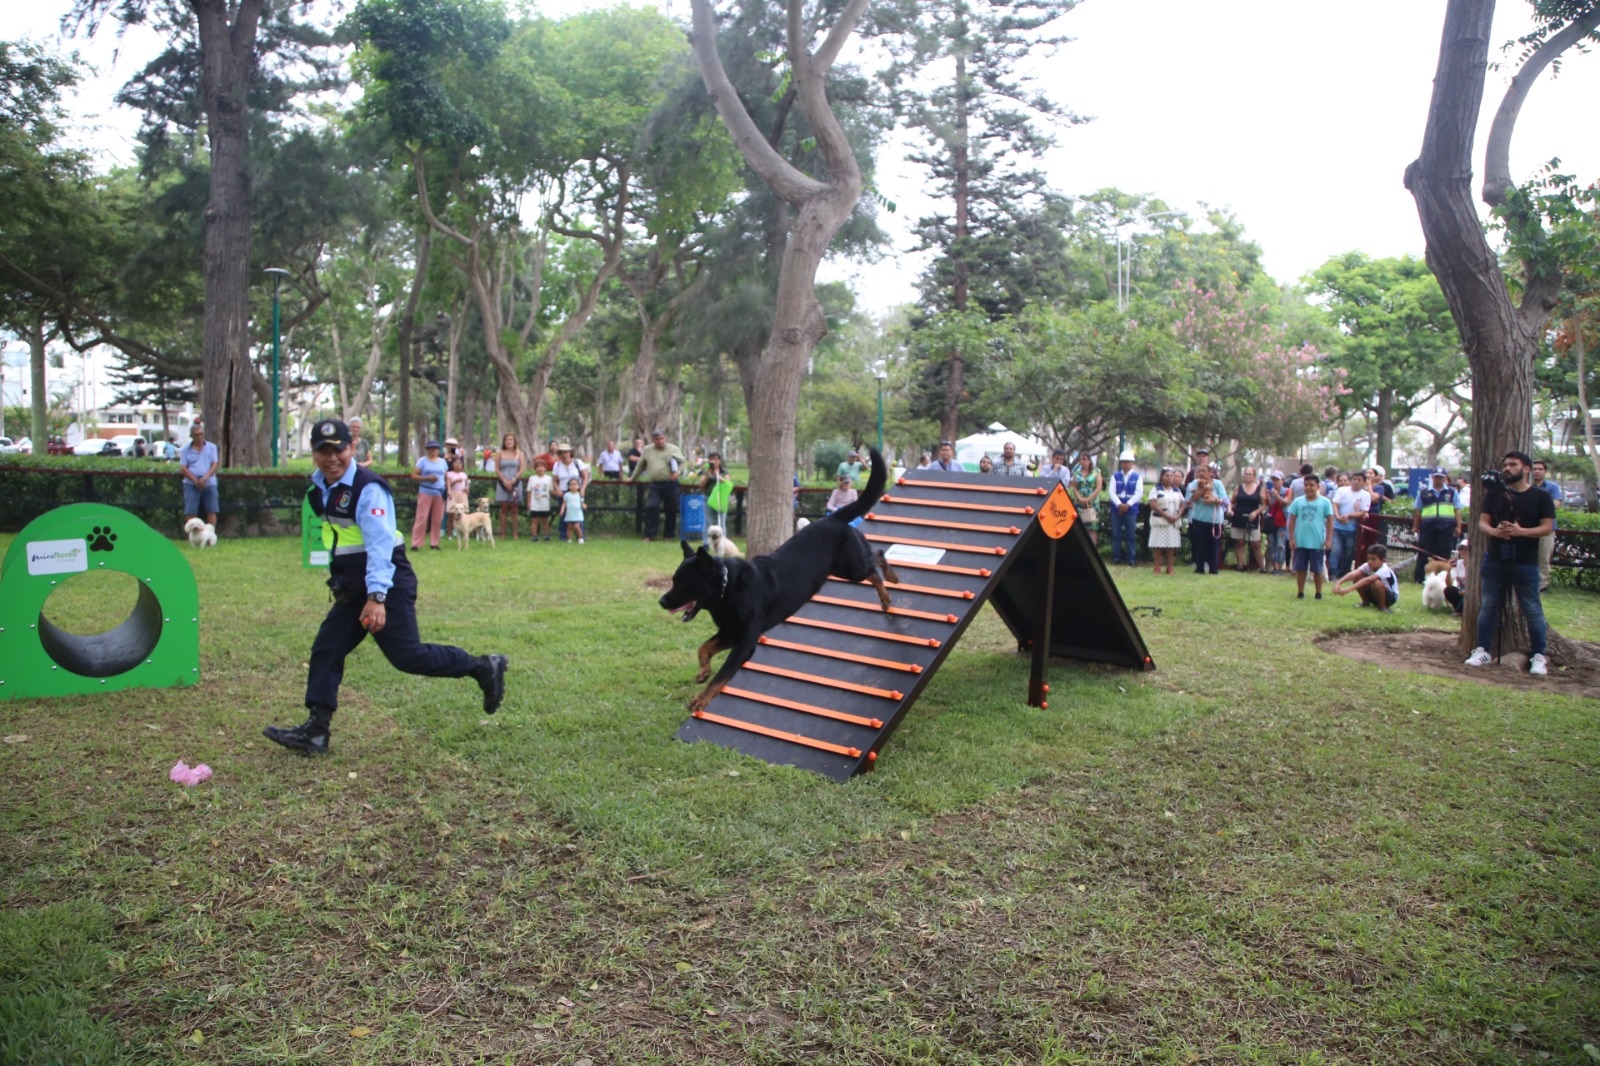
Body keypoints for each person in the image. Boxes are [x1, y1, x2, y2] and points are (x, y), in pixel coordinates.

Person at [262, 419, 507, 755]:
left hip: (386, 583)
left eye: (338, 450)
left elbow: (380, 546)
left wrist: (377, 597)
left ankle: (483, 666)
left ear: (352, 448)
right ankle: (316, 732)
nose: (331, 457)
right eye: (323, 451)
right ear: (314, 453)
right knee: (327, 648)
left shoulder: (368, 488)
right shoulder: (320, 487)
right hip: (353, 586)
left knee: (407, 656)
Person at [1465, 451, 1555, 675]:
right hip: (1496, 559)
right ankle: (1483, 649)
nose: (1507, 468)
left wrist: (1521, 531)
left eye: (1513, 464)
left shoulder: (1541, 496)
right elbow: (1482, 523)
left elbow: (1547, 527)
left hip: (1526, 562)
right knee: (1488, 605)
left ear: (1526, 469)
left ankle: (1538, 655)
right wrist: (1495, 532)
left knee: (1532, 608)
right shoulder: (1494, 495)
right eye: (1505, 465)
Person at [628, 428, 685, 541]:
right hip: (655, 485)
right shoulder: (647, 450)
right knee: (652, 506)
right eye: (657, 439)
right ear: (653, 440)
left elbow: (683, 462)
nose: (660, 441)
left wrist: (677, 472)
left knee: (671, 509)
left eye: (662, 438)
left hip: (671, 483)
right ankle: (650, 534)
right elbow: (640, 465)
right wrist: (632, 478)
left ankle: (668, 535)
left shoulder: (673, 449)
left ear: (665, 438)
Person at [1286, 474, 1334, 600]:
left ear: (1318, 486)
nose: (1308, 488)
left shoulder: (1325, 502)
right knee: (1300, 568)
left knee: (1317, 569)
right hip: (1301, 541)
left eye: (1311, 485)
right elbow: (1292, 520)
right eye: (1306, 485)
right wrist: (1291, 538)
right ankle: (1300, 592)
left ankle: (1318, 593)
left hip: (1317, 541)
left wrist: (1329, 539)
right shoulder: (1298, 502)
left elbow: (1330, 521)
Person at [1411, 467, 1462, 584]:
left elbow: (1457, 510)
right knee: (1424, 553)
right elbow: (1418, 511)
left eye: (1441, 477)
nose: (1438, 479)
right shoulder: (1424, 492)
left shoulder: (1452, 492)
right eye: (1436, 477)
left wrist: (1458, 526)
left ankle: (1444, 578)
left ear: (1445, 478)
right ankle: (1420, 578)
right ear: (1432, 477)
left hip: (1446, 528)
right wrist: (1415, 526)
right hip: (1427, 527)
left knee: (1444, 554)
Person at [1182, 467, 1227, 574]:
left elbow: (1224, 499)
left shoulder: (1217, 484)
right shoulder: (1194, 483)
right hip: (1199, 517)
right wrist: (1202, 488)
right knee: (1199, 543)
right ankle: (1200, 567)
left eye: (1204, 471)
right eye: (1199, 471)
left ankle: (1213, 568)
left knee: (1214, 544)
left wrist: (1215, 500)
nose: (1201, 473)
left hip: (1215, 519)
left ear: (1210, 472)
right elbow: (1193, 498)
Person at [1333, 544, 1401, 611]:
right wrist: (1338, 583)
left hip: (1390, 598)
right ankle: (1365, 602)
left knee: (1375, 582)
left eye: (1373, 559)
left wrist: (1347, 590)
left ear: (1383, 560)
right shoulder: (1367, 565)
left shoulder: (1384, 569)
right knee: (1357, 577)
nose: (1370, 562)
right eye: (1368, 559)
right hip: (1375, 594)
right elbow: (1354, 573)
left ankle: (1383, 607)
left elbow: (1367, 580)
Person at [179, 422, 220, 530]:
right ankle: (192, 534)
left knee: (211, 510)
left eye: (201, 434)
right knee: (191, 511)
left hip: (209, 482)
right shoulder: (185, 450)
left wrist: (205, 478)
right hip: (191, 484)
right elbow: (183, 467)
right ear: (191, 436)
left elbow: (214, 464)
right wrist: (195, 480)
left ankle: (210, 534)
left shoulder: (212, 447)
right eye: (196, 435)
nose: (199, 437)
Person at [410, 441, 449, 550]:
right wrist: (427, 478)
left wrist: (448, 489)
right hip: (426, 491)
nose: (433, 450)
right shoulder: (422, 461)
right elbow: (414, 475)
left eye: (435, 448)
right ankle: (416, 543)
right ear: (427, 450)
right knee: (422, 517)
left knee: (437, 518)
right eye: (431, 448)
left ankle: (434, 542)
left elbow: (446, 477)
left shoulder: (442, 462)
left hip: (439, 492)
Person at [1531, 459, 1564, 590]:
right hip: (1528, 527)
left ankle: (1542, 584)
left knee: (1544, 557)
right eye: (1535, 469)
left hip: (1547, 528)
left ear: (1545, 471)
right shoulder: (1526, 486)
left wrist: (1536, 505)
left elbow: (1556, 504)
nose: (1537, 471)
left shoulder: (1552, 487)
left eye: (1540, 469)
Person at [1330, 470, 1370, 577]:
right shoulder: (1342, 490)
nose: (1356, 482)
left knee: (1348, 552)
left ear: (1364, 482)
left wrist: (1350, 516)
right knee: (1335, 550)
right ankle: (1332, 573)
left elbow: (1363, 511)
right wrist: (1337, 516)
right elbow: (1335, 504)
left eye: (1359, 480)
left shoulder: (1365, 495)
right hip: (1337, 527)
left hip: (1352, 528)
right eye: (1354, 479)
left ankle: (1343, 573)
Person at [1147, 467, 1184, 575]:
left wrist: (1178, 515)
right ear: (1161, 477)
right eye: (1167, 476)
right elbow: (1153, 504)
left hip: (1173, 522)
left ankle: (1170, 567)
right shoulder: (1156, 489)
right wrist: (1166, 515)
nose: (1169, 478)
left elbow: (1183, 504)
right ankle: (1157, 567)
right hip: (1160, 521)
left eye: (1171, 476)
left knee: (1171, 545)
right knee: (1158, 545)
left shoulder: (1177, 490)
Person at [1227, 466, 1265, 572]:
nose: (1247, 476)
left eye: (1249, 474)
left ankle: (1262, 567)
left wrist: (1256, 513)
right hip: (1239, 517)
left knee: (1255, 544)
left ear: (1254, 476)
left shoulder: (1259, 489)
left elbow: (1264, 504)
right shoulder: (1238, 488)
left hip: (1253, 518)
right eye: (1246, 474)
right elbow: (1231, 502)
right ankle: (1240, 565)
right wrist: (1229, 510)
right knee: (1239, 542)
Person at [1108, 450, 1142, 565]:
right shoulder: (1115, 476)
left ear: (1132, 463)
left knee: (1130, 534)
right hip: (1116, 509)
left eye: (1128, 462)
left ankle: (1131, 558)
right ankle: (1117, 557)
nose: (1126, 464)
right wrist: (1119, 504)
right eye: (1123, 462)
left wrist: (1128, 504)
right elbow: (1111, 492)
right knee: (1116, 533)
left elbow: (1139, 493)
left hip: (1131, 509)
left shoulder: (1137, 477)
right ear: (1121, 463)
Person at [550, 443, 589, 542]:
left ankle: (580, 536)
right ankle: (565, 536)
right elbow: (554, 480)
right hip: (564, 492)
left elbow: (585, 477)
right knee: (564, 514)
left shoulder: (577, 462)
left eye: (566, 452)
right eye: (562, 453)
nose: (564, 455)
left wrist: (582, 489)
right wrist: (558, 490)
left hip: (576, 491)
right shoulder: (557, 465)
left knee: (578, 513)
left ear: (570, 452)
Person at [494, 433, 526, 540]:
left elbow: (521, 469)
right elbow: (497, 469)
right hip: (502, 482)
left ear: (514, 441)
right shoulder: (499, 453)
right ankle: (502, 533)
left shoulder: (520, 453)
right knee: (503, 509)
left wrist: (513, 480)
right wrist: (504, 480)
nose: (509, 441)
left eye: (511, 439)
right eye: (507, 439)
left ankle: (515, 533)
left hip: (515, 482)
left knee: (514, 509)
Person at [1070, 451, 1103, 546]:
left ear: (1089, 461)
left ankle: (1092, 548)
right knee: (1079, 528)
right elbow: (1074, 487)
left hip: (1092, 503)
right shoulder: (1076, 473)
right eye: (1080, 459)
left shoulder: (1096, 472)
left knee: (1092, 528)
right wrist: (1080, 498)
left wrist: (1088, 499)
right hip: (1079, 503)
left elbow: (1098, 487)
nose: (1082, 461)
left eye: (1084, 459)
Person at [699, 452, 735, 532]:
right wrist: (707, 474)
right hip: (708, 498)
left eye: (715, 459)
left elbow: (727, 482)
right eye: (711, 459)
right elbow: (701, 485)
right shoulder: (706, 471)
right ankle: (707, 539)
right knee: (708, 522)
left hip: (720, 499)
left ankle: (722, 538)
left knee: (721, 522)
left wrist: (718, 476)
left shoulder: (724, 471)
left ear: (719, 461)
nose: (713, 461)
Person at [1264, 471, 1291, 574]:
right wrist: (1268, 498)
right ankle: (1274, 567)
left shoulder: (1287, 491)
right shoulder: (1271, 491)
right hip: (1271, 522)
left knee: (1280, 546)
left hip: (1282, 523)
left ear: (1282, 481)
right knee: (1271, 545)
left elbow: (1285, 503)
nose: (1275, 482)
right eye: (1273, 479)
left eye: (1277, 480)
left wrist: (1277, 495)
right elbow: (1271, 506)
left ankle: (1279, 567)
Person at [526, 459, 554, 541]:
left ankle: (546, 535)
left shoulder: (549, 478)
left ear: (545, 468)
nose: (540, 468)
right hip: (535, 503)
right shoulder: (532, 478)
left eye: (542, 466)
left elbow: (551, 490)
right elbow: (529, 491)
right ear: (535, 468)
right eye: (537, 466)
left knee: (545, 520)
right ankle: (534, 536)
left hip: (545, 503)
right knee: (535, 520)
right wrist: (529, 503)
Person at [444, 455, 469, 538]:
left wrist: (466, 489)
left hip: (462, 494)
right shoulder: (449, 474)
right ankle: (449, 533)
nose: (458, 465)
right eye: (456, 462)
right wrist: (455, 481)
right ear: (452, 464)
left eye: (459, 463)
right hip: (453, 494)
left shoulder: (464, 475)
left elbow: (466, 485)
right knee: (451, 515)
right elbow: (448, 485)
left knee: (462, 515)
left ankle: (462, 532)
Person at [562, 477, 586, 543]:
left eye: (575, 484)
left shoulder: (579, 494)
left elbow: (582, 503)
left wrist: (584, 505)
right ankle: (569, 539)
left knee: (576, 526)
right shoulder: (566, 495)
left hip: (577, 514)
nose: (573, 486)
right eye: (571, 484)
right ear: (569, 486)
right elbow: (564, 503)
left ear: (578, 486)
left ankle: (580, 538)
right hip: (570, 514)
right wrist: (562, 510)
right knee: (569, 527)